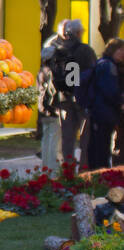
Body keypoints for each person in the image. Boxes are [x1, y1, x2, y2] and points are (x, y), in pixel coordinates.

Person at [48, 18, 97, 170]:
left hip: (63, 98)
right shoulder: (85, 50)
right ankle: (84, 168)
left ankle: (67, 169)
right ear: (78, 32)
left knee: (67, 137)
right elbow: (94, 73)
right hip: (83, 99)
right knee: (85, 137)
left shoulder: (58, 49)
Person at [81, 38, 124, 172]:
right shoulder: (108, 66)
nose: (123, 53)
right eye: (121, 50)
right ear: (113, 50)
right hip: (103, 112)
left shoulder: (102, 63)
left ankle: (99, 173)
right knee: (101, 147)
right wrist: (121, 102)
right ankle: (101, 174)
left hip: (100, 112)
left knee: (99, 145)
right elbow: (110, 90)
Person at [36, 38, 61, 168]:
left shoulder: (41, 71)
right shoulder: (54, 71)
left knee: (46, 139)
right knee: (54, 140)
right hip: (53, 109)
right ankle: (53, 168)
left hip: (43, 109)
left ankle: (45, 166)